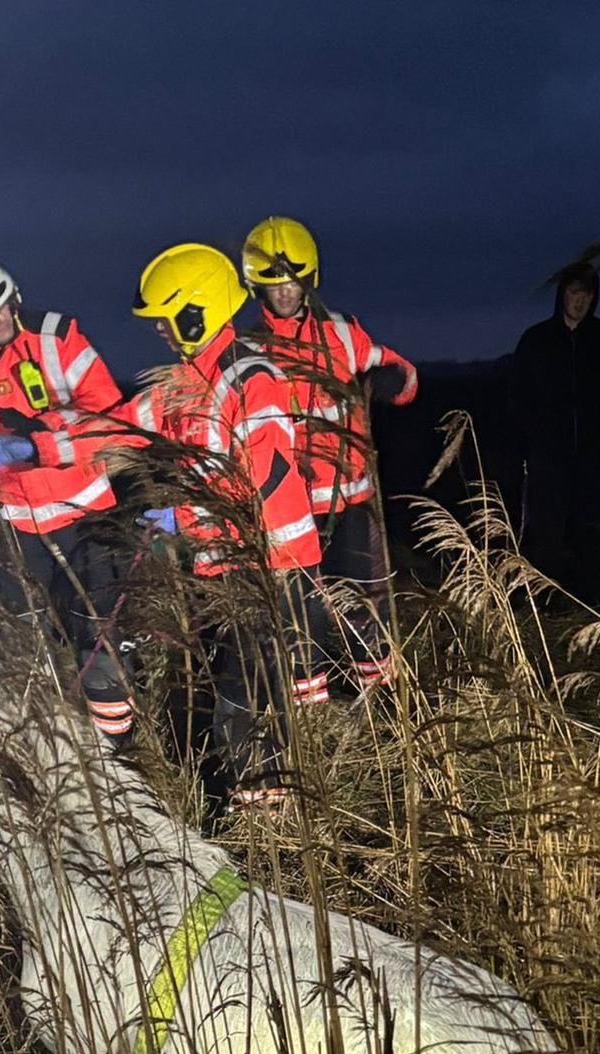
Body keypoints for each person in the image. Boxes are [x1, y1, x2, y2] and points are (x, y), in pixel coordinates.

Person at [123, 242, 323, 808]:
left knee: (248, 697)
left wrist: (178, 517)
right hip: (221, 566)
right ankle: (245, 797)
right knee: (221, 686)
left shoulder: (249, 381)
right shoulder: (189, 381)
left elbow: (260, 492)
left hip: (269, 570)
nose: (161, 331)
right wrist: (44, 446)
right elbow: (119, 426)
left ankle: (265, 820)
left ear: (196, 312)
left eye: (166, 319)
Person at [0, 252, 136, 738]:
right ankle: (55, 750)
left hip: (87, 517)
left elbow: (110, 422)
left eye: (5, 305)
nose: (3, 318)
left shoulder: (57, 339)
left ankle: (121, 750)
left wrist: (36, 442)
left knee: (100, 639)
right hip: (16, 531)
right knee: (29, 646)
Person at [240, 216, 416, 692]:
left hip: (352, 505)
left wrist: (392, 379)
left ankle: (381, 708)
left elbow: (399, 370)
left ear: (309, 279)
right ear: (258, 287)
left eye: (293, 283)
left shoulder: (340, 333)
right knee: (301, 622)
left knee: (366, 613)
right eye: (274, 285)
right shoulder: (250, 350)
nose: (285, 294)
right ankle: (317, 725)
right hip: (289, 515)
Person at [508, 261, 600, 593]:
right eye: (574, 292)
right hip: (548, 456)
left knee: (593, 530)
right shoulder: (537, 340)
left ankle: (593, 601)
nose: (580, 300)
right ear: (562, 295)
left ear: (594, 297)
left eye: (586, 293)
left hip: (595, 458)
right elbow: (517, 393)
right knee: (548, 531)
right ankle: (547, 599)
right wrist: (529, 440)